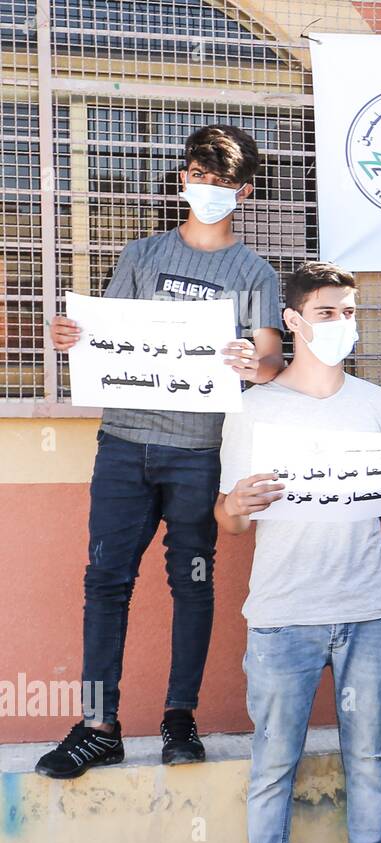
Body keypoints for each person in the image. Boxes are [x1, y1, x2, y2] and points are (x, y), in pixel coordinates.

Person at [38, 124, 284, 778]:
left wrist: (251, 361)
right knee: (105, 580)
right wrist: (73, 336)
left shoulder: (254, 273)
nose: (207, 188)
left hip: (199, 452)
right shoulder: (142, 255)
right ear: (182, 179)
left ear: (244, 191)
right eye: (198, 176)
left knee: (192, 584)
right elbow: (104, 336)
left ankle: (181, 718)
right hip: (123, 444)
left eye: (222, 181)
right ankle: (98, 726)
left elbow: (271, 360)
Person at [214, 261, 381, 843]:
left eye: (348, 312)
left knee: (370, 761)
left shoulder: (377, 404)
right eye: (326, 312)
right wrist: (237, 504)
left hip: (370, 613)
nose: (340, 323)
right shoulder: (254, 408)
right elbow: (230, 521)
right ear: (293, 320)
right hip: (283, 619)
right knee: (273, 766)